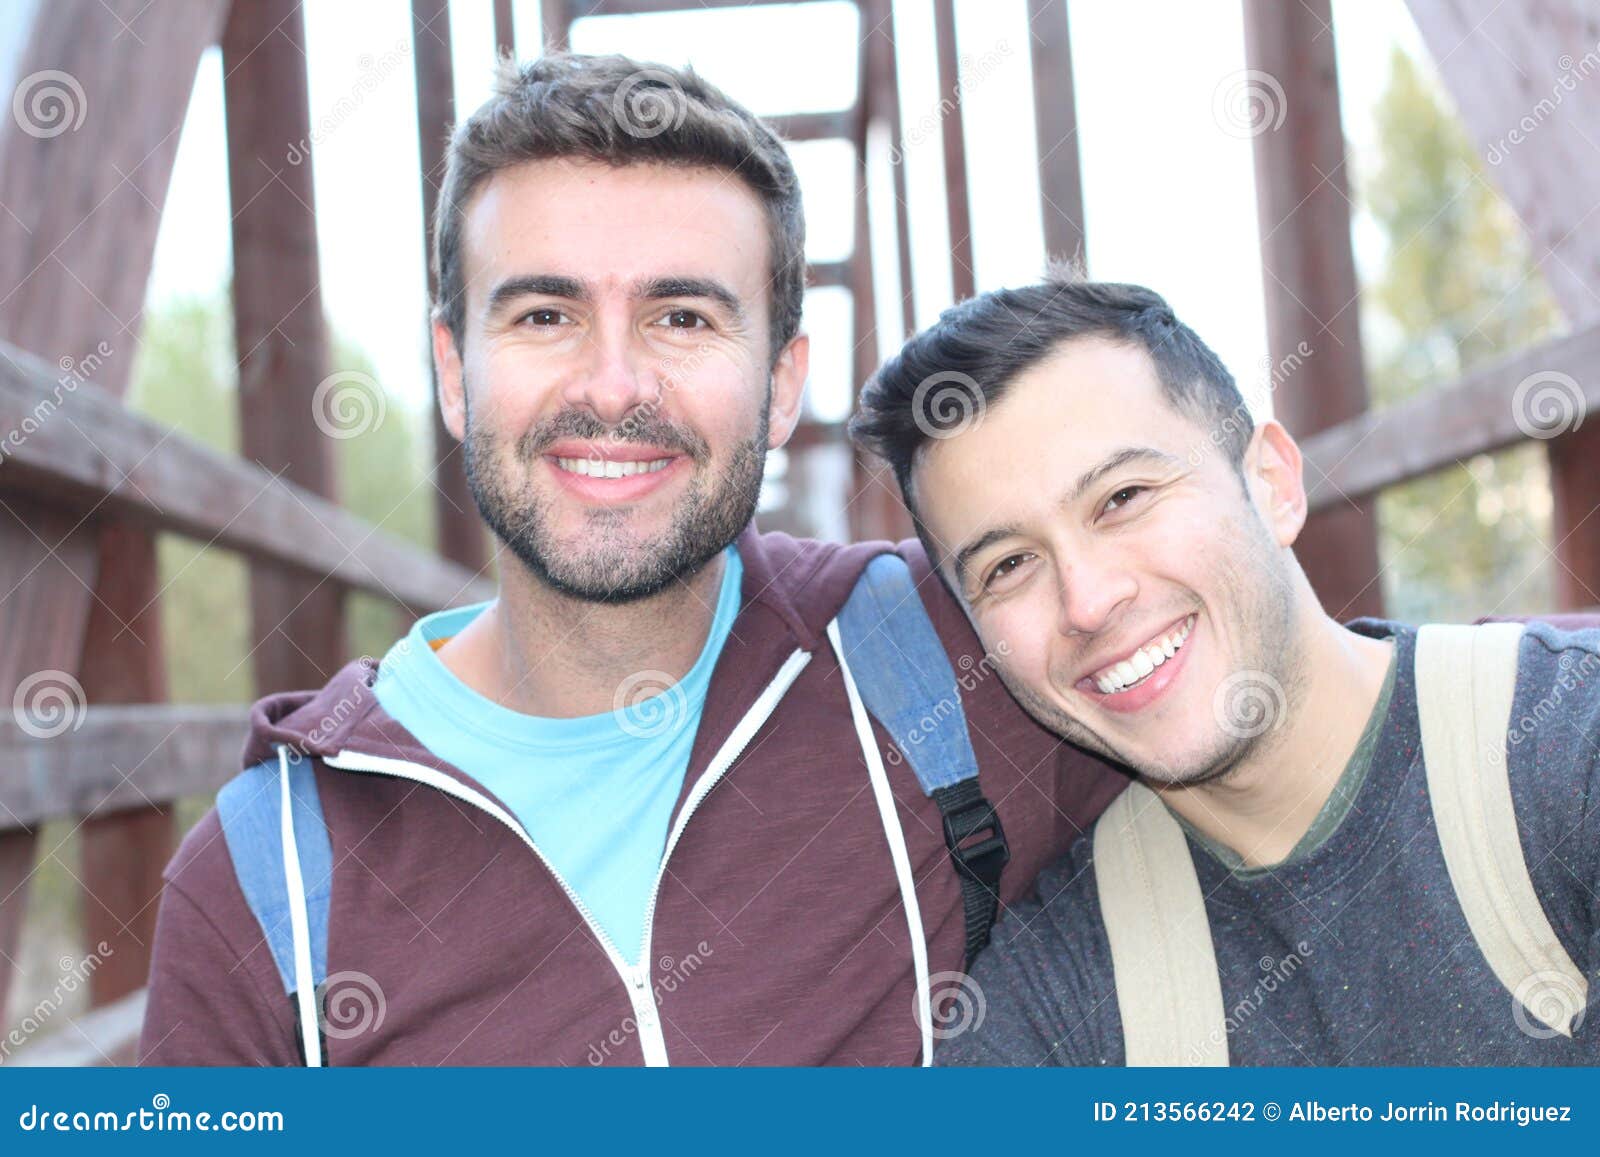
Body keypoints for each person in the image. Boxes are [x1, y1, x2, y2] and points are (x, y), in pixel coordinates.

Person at [136, 56, 1126, 1068]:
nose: (613, 387)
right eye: (545, 316)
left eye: (682, 317)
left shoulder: (955, 659)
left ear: (784, 383)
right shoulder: (265, 879)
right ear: (454, 371)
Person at [849, 274, 1599, 1065]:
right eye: (1008, 565)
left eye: (1123, 497)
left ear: (1272, 482)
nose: (1089, 602)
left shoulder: (1566, 755)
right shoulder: (1054, 1002)